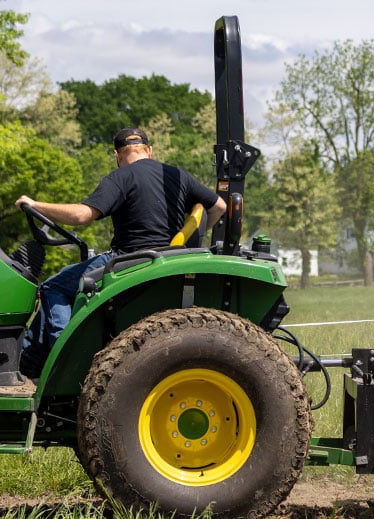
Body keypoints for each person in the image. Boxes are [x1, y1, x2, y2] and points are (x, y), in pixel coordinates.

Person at [14, 126, 225, 377]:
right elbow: (219, 206)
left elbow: (82, 215)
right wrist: (188, 241)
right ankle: (30, 363)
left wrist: (35, 204)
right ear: (149, 150)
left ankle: (64, 361)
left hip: (128, 261)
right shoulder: (177, 175)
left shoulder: (121, 177)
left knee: (53, 287)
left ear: (117, 155)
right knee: (69, 280)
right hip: (166, 260)